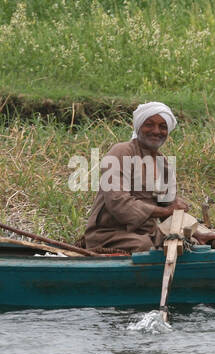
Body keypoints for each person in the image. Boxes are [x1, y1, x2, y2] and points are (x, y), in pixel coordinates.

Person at [82, 102, 196, 254]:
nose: (156, 131)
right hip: (109, 234)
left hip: (148, 234)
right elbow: (118, 202)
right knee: (144, 247)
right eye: (149, 125)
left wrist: (181, 213)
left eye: (163, 127)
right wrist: (167, 211)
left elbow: (168, 206)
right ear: (138, 127)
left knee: (191, 243)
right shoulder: (121, 152)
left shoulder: (164, 164)